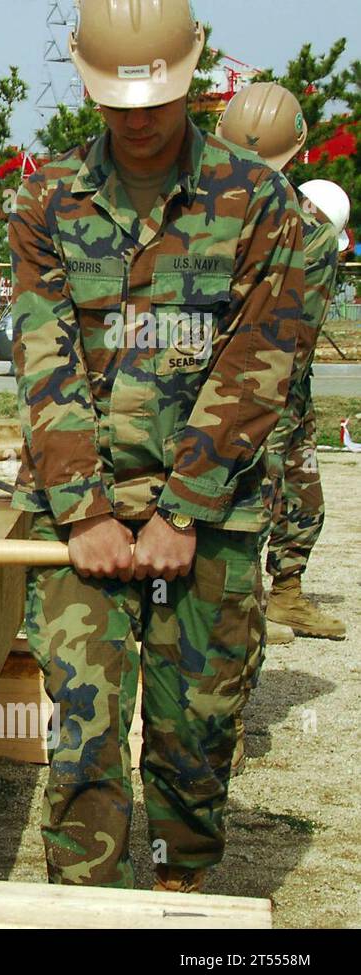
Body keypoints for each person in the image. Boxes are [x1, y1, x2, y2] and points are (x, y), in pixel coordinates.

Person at [10, 0, 305, 892]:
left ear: (196, 76)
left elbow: (262, 357)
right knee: (85, 734)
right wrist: (86, 509)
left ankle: (180, 901)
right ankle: (87, 905)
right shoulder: (47, 197)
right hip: (80, 517)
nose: (137, 122)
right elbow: (43, 354)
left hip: (207, 519)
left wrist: (186, 509)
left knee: (194, 729)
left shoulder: (257, 199)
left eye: (157, 100)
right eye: (117, 103)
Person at [217, 83, 348, 643]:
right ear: (300, 151)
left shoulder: (204, 215)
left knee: (298, 492)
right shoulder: (311, 234)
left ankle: (286, 596)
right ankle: (244, 608)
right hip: (247, 393)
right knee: (248, 499)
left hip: (275, 389)